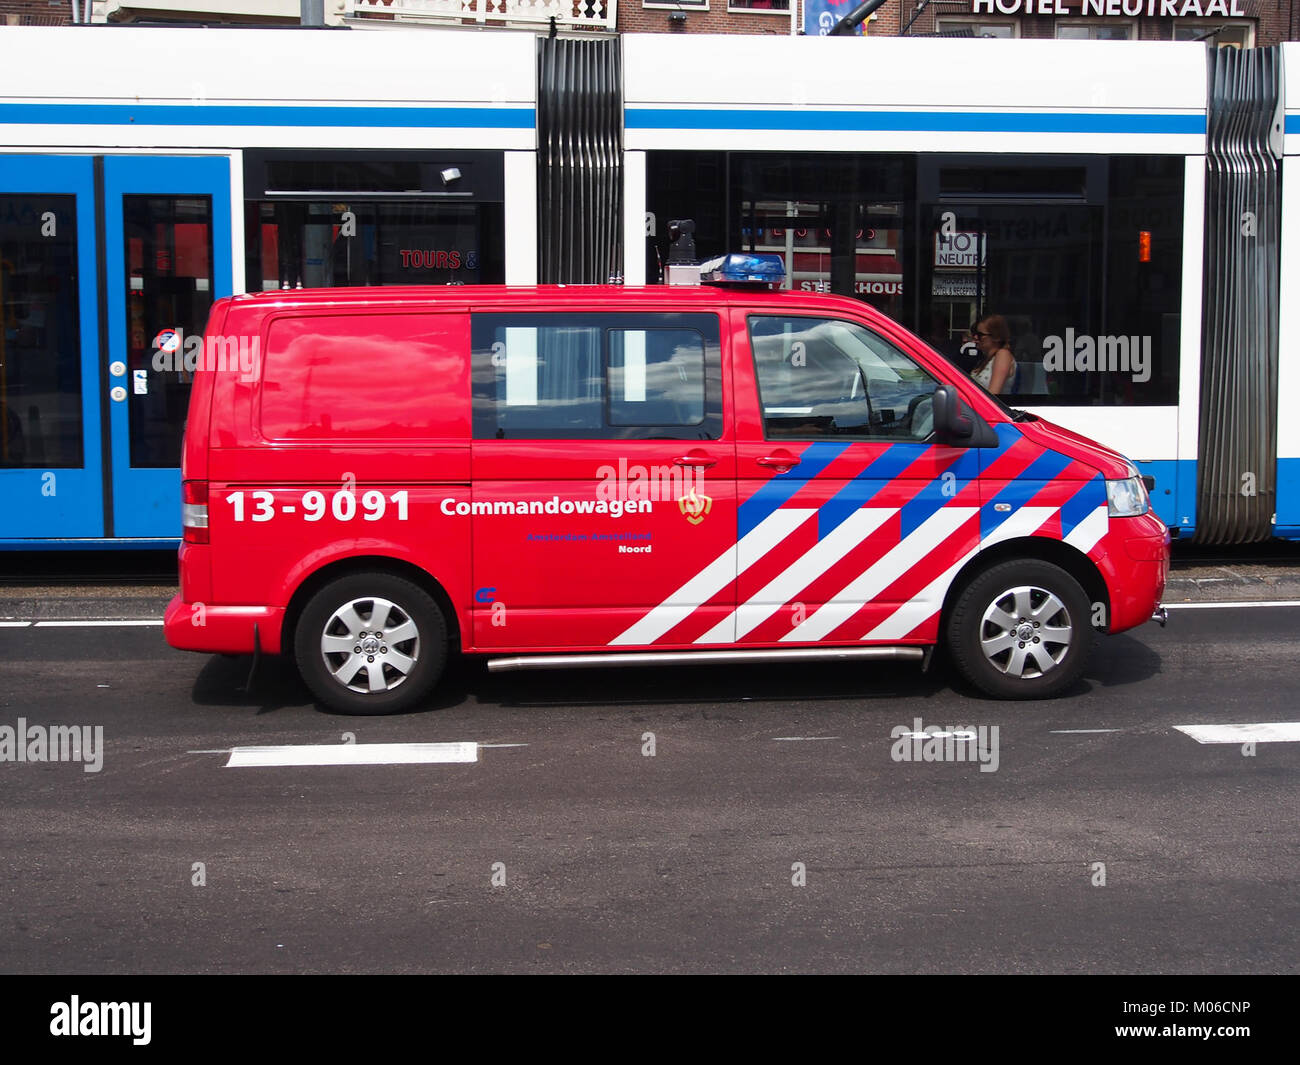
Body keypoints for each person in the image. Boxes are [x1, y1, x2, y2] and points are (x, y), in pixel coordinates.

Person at [969, 314, 1017, 395]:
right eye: (975, 333)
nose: (975, 337)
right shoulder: (985, 359)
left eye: (980, 335)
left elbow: (993, 394)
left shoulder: (1003, 355)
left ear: (996, 337)